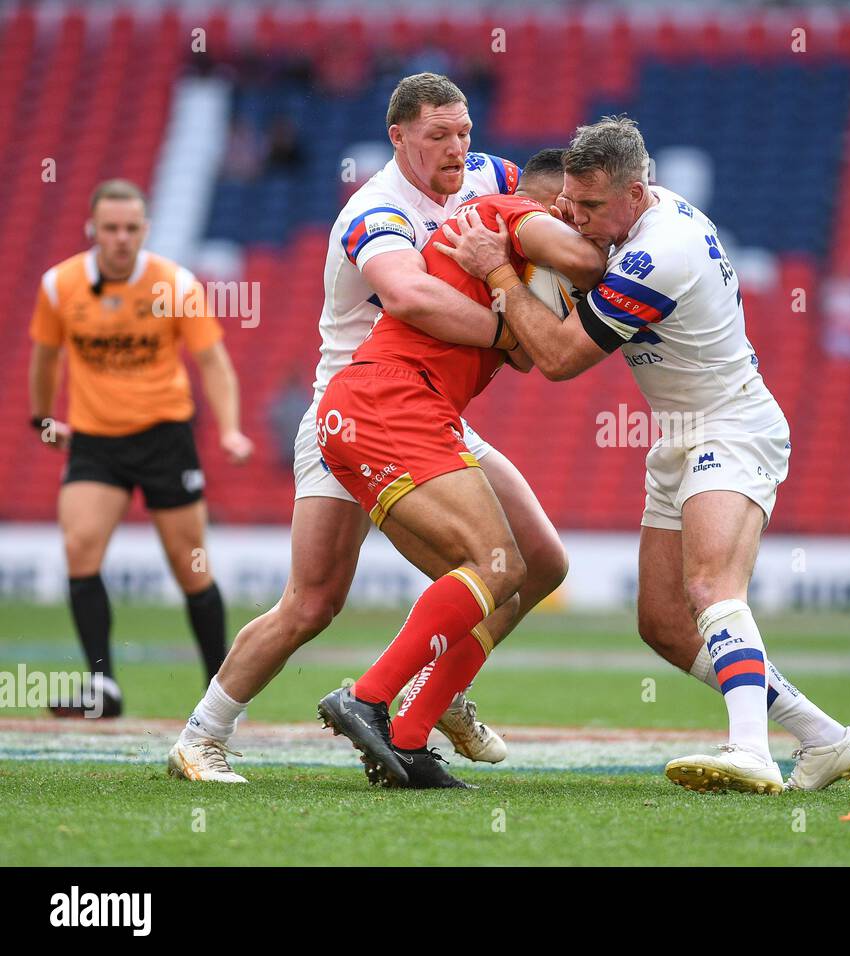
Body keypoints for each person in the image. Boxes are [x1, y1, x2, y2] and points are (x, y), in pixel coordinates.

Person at [439, 116, 850, 793]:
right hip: (680, 435)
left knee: (709, 589)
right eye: (570, 203)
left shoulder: (658, 253)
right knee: (664, 625)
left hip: (732, 429)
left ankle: (752, 752)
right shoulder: (638, 222)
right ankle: (822, 736)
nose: (574, 218)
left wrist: (497, 270)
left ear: (638, 193)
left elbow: (556, 358)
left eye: (591, 207)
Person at [166, 74, 568, 783]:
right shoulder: (374, 209)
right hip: (355, 415)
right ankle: (203, 735)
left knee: (537, 564)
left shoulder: (488, 176)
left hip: (433, 414)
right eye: (438, 135)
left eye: (465, 131)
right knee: (313, 603)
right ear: (398, 137)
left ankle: (432, 694)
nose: (457, 148)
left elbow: (543, 208)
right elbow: (412, 297)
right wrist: (519, 328)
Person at [315, 160, 607, 788]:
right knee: (496, 562)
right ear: (558, 199)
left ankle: (413, 738)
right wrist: (641, 252)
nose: (586, 222)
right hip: (391, 400)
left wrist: (514, 286)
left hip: (402, 406)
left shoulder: (512, 252)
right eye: (582, 208)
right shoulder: (512, 217)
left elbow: (531, 355)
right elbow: (585, 261)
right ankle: (365, 697)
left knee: (524, 566)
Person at [27, 178, 254, 718]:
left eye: (131, 228)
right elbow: (45, 358)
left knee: (191, 566)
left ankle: (219, 690)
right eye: (111, 228)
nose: (121, 238)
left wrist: (229, 429)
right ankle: (103, 686)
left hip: (164, 438)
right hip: (95, 440)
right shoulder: (60, 286)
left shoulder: (173, 284)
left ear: (145, 230)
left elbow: (213, 362)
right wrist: (41, 420)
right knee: (80, 547)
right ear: (93, 230)